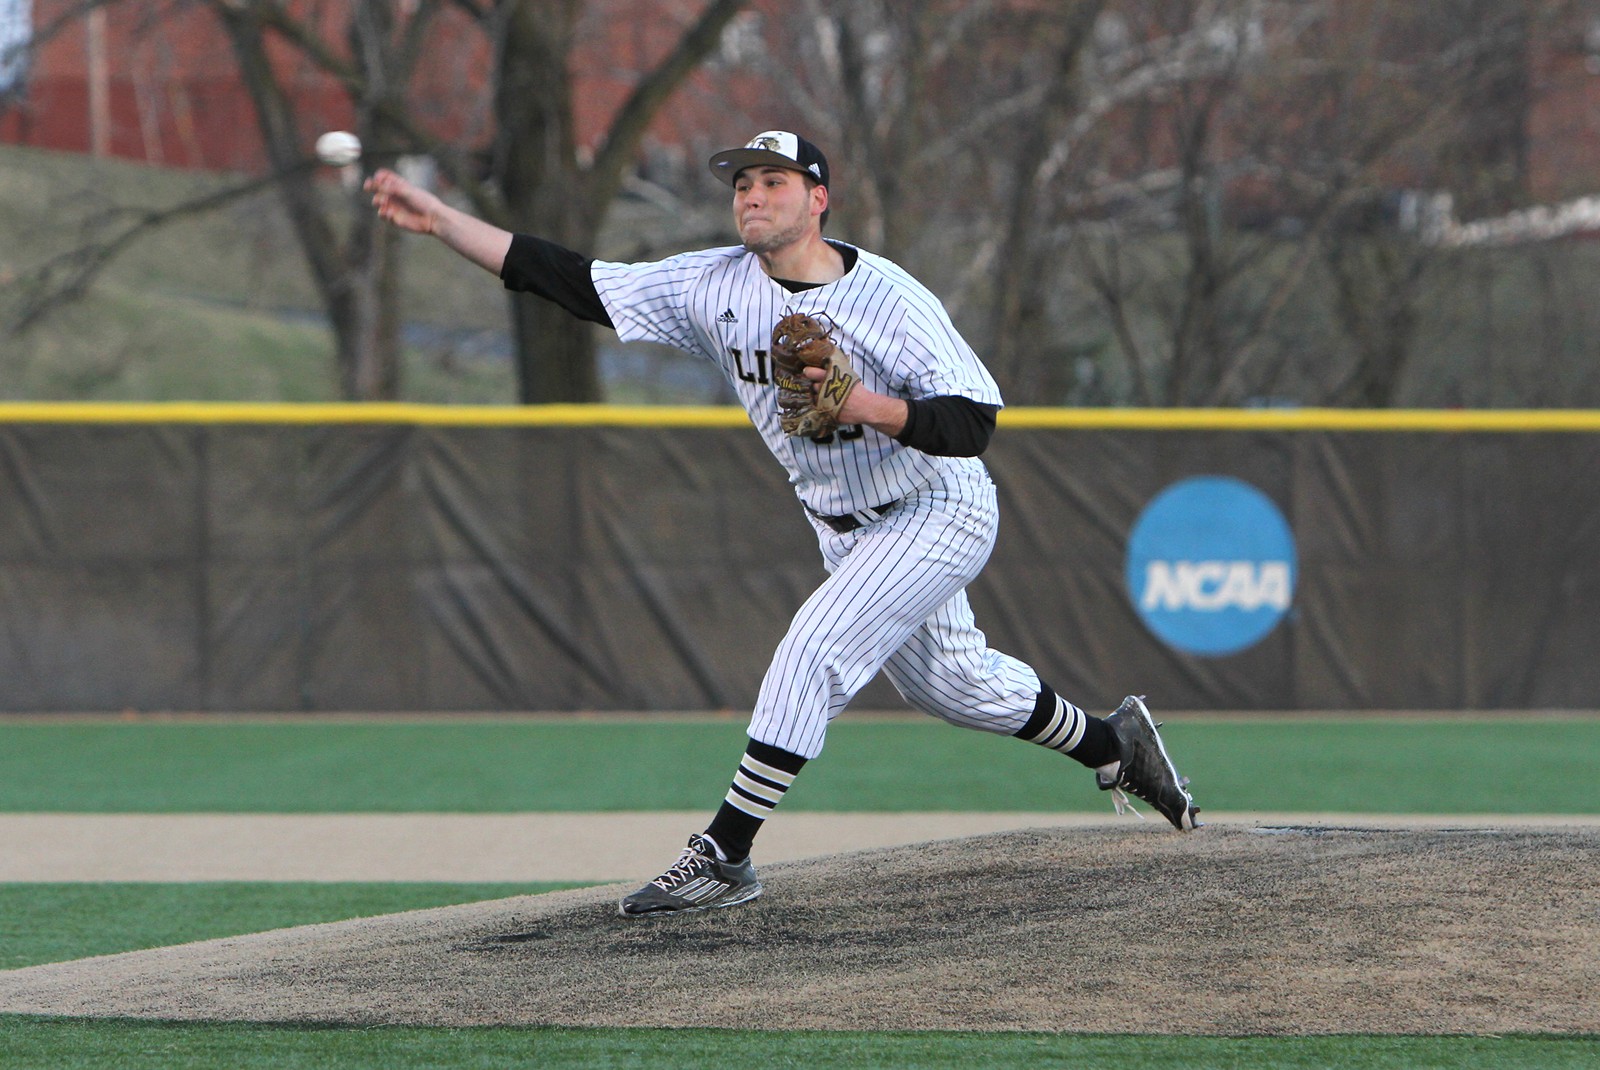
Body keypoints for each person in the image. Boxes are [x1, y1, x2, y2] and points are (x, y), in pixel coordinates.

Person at [367, 130, 1201, 917]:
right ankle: (1113, 745)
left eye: (773, 182)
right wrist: (441, 220)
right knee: (955, 684)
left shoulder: (889, 296)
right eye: (742, 183)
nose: (752, 196)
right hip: (843, 529)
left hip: (936, 503)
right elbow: (575, 281)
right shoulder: (716, 283)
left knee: (813, 649)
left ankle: (725, 856)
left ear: (819, 200)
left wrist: (863, 402)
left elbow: (974, 422)